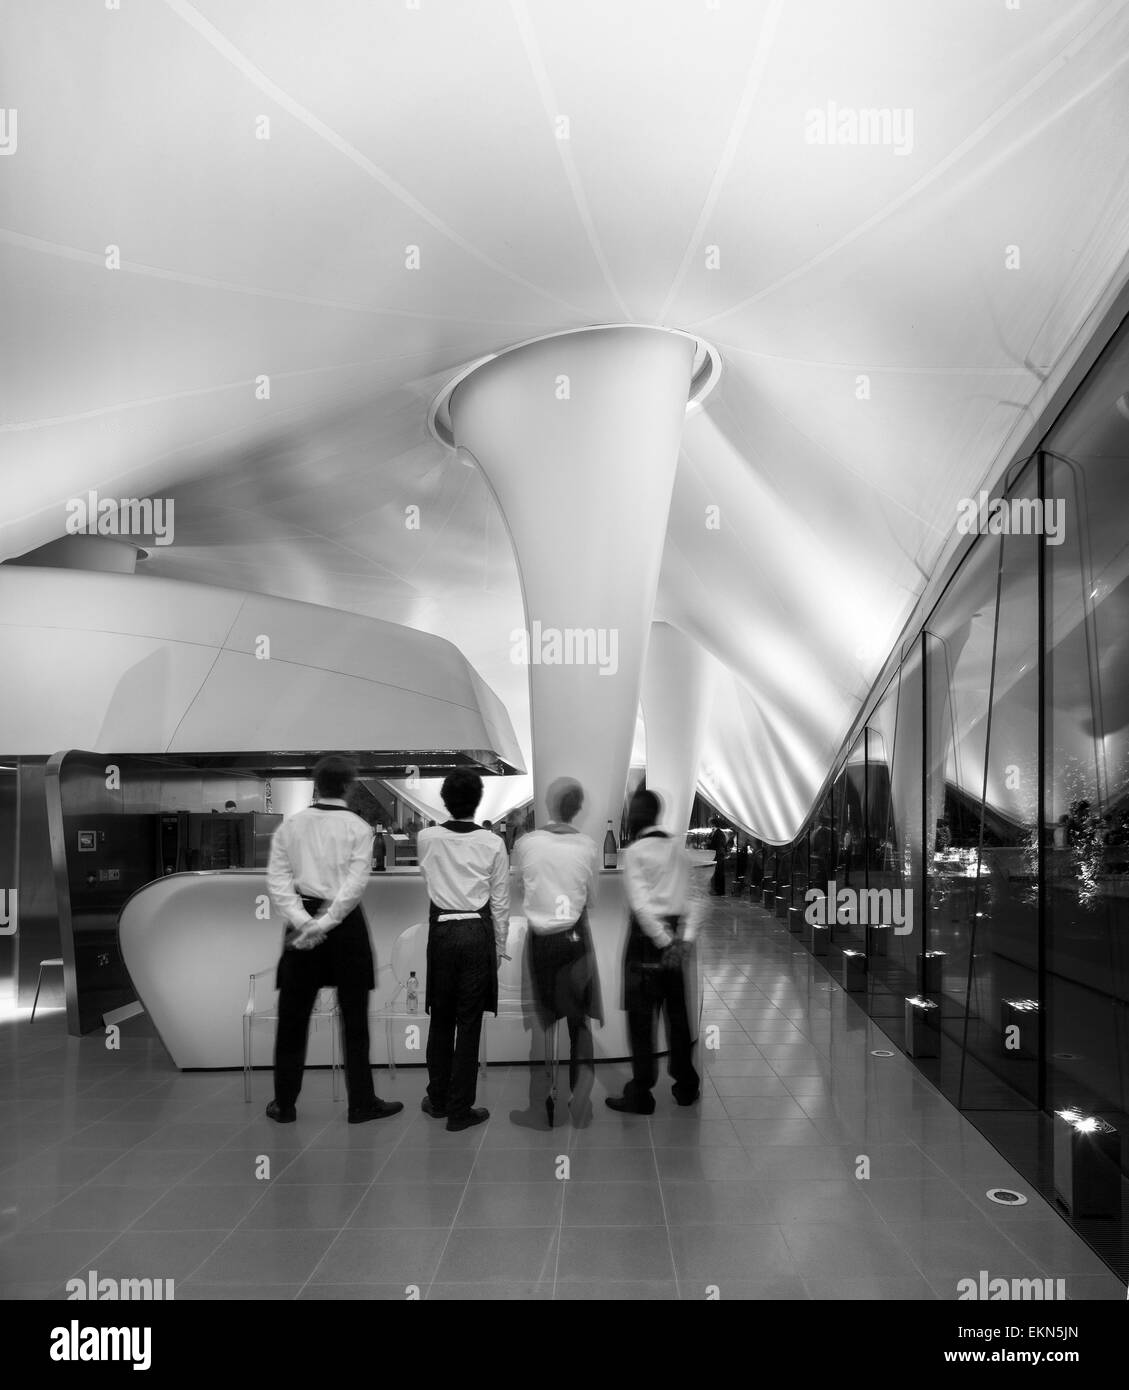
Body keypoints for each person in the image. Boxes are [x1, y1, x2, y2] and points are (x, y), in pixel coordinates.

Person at [265, 755, 403, 1125]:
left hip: (301, 926)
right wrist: (325, 923)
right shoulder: (358, 828)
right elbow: (354, 887)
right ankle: (360, 1103)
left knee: (293, 1018)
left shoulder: (289, 827)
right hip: (345, 929)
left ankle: (285, 1104)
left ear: (316, 783)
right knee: (354, 1019)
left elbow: (277, 883)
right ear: (349, 785)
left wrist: (304, 923)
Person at [417, 770, 510, 1132]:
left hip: (441, 931)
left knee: (440, 1017)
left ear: (444, 800)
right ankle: (460, 1109)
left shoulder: (426, 838)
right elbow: (500, 902)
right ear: (478, 801)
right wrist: (499, 948)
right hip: (476, 932)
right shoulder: (492, 843)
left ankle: (437, 1098)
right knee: (468, 1022)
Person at [511, 777, 603, 1124]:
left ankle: (541, 1106)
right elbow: (591, 900)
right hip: (576, 940)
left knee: (543, 1023)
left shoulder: (527, 843)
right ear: (578, 809)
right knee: (579, 1024)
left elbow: (520, 888)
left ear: (549, 805)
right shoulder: (588, 846)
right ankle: (580, 1106)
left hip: (542, 942)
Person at [607, 789, 700, 1114]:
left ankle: (641, 1093)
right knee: (677, 1015)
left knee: (642, 1019)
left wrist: (664, 941)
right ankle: (686, 1086)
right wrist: (682, 940)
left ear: (635, 816)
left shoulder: (635, 851)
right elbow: (695, 900)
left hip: (647, 942)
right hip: (675, 934)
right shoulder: (678, 848)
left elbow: (642, 906)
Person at [708, 817, 727, 895]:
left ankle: (720, 891)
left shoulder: (719, 833)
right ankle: (717, 890)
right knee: (717, 873)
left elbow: (719, 845)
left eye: (710, 823)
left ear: (713, 824)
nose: (709, 825)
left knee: (719, 873)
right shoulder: (715, 832)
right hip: (717, 855)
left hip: (719, 855)